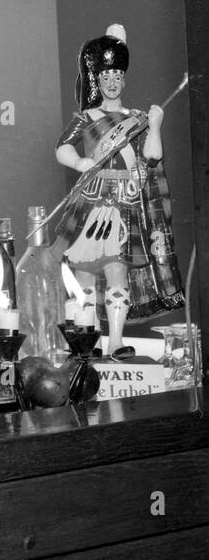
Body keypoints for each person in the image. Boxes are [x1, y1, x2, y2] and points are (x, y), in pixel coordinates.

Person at [53, 23, 184, 355]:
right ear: (98, 80)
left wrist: (154, 125)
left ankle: (115, 341)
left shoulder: (137, 118)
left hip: (124, 204)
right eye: (105, 77)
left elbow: (152, 155)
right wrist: (81, 163)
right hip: (92, 202)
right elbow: (63, 148)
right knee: (84, 273)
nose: (112, 83)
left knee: (116, 271)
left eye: (117, 77)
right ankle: (87, 339)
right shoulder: (87, 117)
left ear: (123, 79)